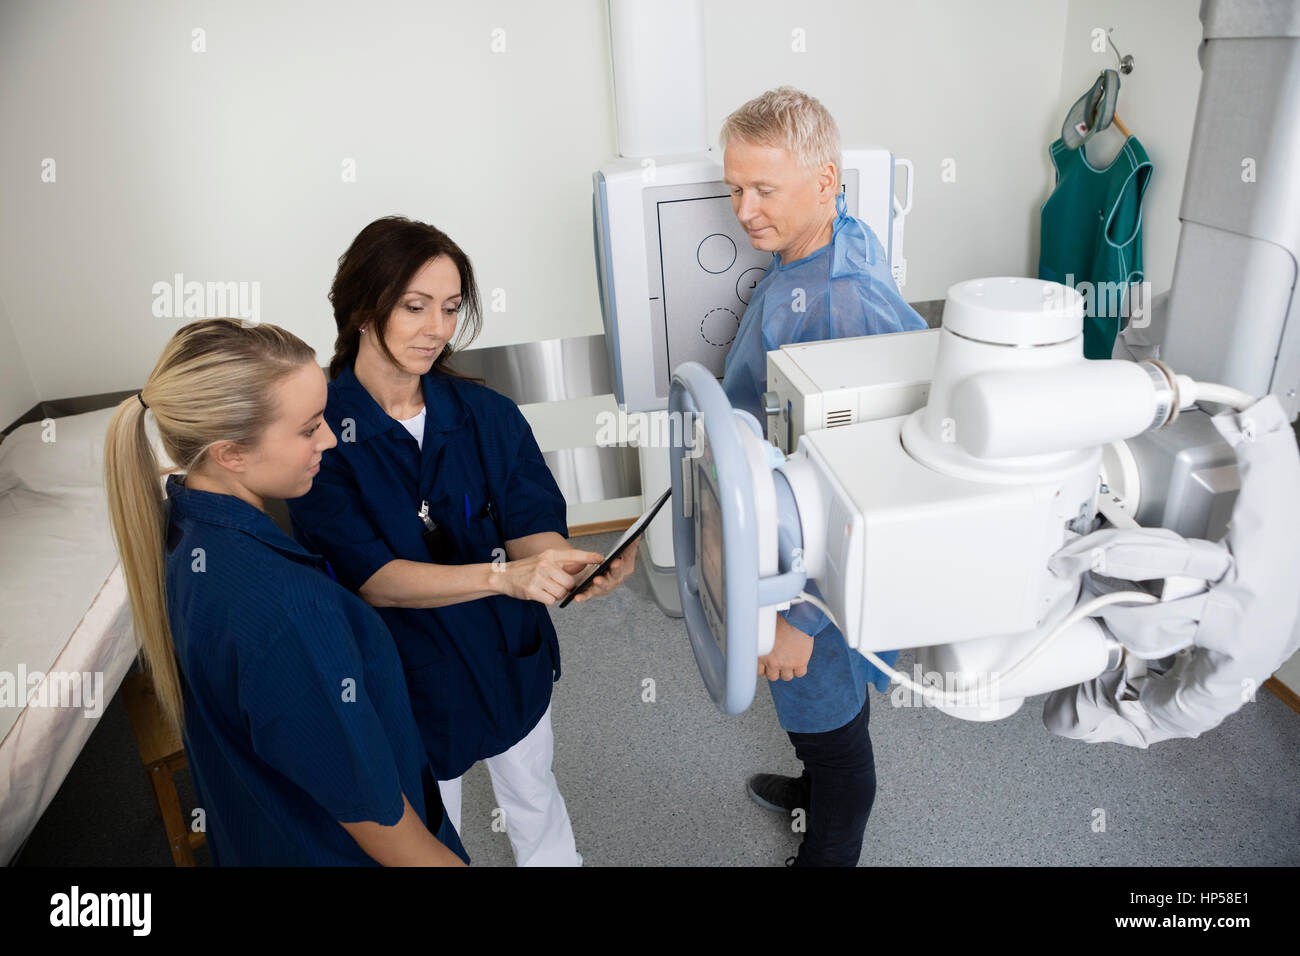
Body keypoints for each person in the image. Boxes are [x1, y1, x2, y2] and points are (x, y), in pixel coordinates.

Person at [287, 217, 636, 867]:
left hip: (507, 654)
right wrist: (502, 578)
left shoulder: (485, 415)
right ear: (361, 309)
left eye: (450, 308)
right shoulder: (322, 438)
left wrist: (565, 565)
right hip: (408, 675)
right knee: (430, 829)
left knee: (533, 794)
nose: (437, 329)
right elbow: (376, 579)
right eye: (414, 306)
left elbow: (530, 521)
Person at [104, 318, 467, 865]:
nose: (330, 439)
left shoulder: (186, 528)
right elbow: (381, 823)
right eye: (309, 428)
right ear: (231, 453)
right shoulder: (285, 606)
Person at [719, 87, 928, 866]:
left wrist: (798, 621)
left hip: (813, 567)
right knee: (818, 721)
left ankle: (829, 847)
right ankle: (815, 789)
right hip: (782, 523)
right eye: (735, 188)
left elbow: (864, 482)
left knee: (832, 730)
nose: (744, 211)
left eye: (763, 190)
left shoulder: (840, 303)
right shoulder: (826, 245)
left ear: (826, 181)